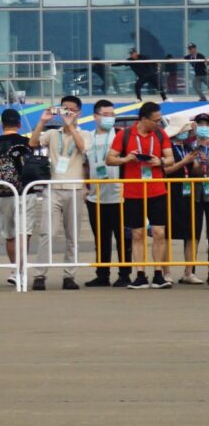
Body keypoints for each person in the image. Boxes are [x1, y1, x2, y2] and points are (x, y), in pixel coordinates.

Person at [0, 109, 43, 288]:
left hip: (4, 193)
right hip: (25, 191)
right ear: (19, 124)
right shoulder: (25, 142)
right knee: (24, 233)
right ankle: (21, 271)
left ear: (1, 124)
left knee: (10, 234)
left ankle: (15, 270)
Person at [111, 99, 174, 288]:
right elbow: (110, 159)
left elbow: (170, 158)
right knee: (137, 234)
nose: (158, 123)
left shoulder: (160, 134)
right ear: (144, 119)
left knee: (158, 232)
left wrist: (161, 161)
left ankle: (158, 274)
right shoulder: (125, 134)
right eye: (155, 120)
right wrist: (126, 159)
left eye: (160, 120)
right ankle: (140, 274)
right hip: (133, 191)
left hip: (157, 190)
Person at [29, 96, 87, 291]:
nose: (67, 113)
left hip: (75, 188)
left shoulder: (84, 133)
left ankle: (69, 275)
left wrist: (71, 126)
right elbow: (33, 142)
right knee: (47, 232)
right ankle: (40, 275)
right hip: (53, 188)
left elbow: (82, 148)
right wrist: (43, 120)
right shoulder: (53, 134)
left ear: (79, 112)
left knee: (73, 235)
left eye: (71, 110)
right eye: (64, 109)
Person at [84, 98, 128, 286]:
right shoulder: (88, 137)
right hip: (95, 197)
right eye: (106, 114)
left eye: (112, 114)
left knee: (122, 239)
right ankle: (102, 275)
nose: (110, 118)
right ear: (95, 116)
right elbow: (85, 163)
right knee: (101, 239)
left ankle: (124, 275)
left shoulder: (121, 135)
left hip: (120, 196)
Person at [167, 114, 207, 285]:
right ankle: (170, 271)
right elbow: (169, 169)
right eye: (200, 124)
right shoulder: (179, 146)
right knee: (175, 233)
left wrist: (199, 162)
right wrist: (189, 160)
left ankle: (190, 271)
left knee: (194, 232)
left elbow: (194, 171)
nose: (203, 126)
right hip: (182, 194)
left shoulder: (188, 146)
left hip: (193, 193)